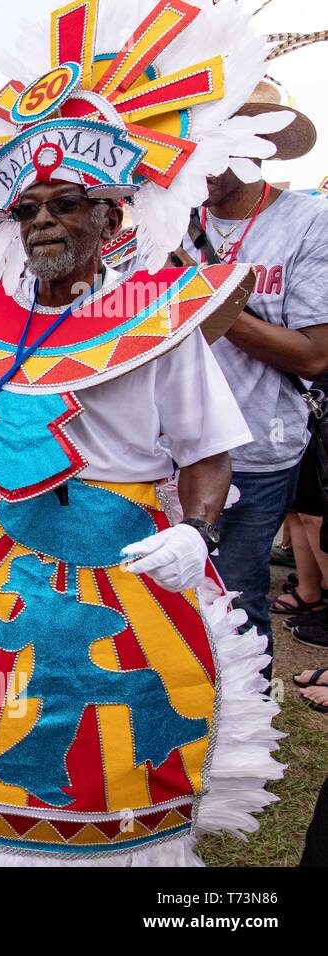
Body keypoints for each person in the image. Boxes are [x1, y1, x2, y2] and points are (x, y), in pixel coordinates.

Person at [0, 0, 282, 866]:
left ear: (111, 220)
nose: (43, 219)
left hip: (128, 557)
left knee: (121, 729)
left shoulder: (157, 322)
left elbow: (206, 452)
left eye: (66, 203)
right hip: (0, 556)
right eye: (28, 207)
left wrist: (197, 539)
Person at [179, 74, 328, 674]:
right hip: (168, 448)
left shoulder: (306, 223)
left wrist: (201, 296)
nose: (200, 161)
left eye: (217, 144)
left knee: (235, 601)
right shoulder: (168, 222)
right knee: (165, 599)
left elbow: (315, 355)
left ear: (255, 145)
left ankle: (242, 739)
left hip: (257, 449)